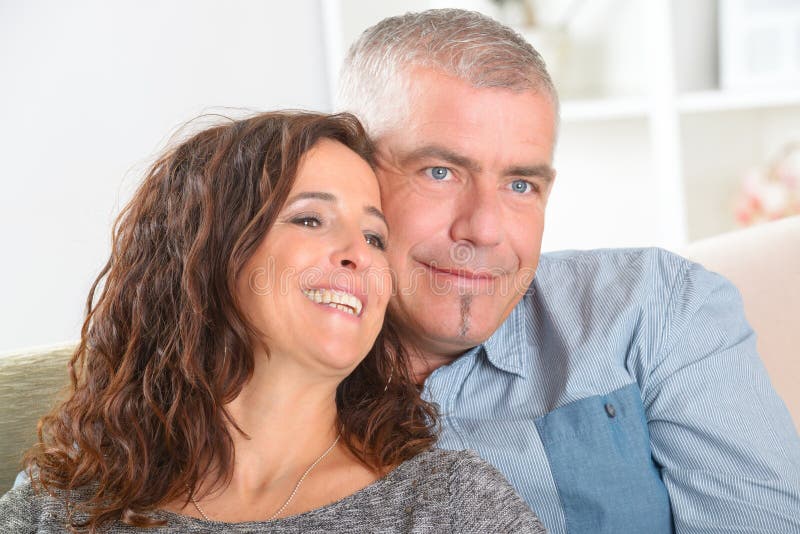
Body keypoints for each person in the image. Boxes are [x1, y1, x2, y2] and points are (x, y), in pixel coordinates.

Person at [336, 8, 800, 533]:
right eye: (440, 172)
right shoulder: (270, 377)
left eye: (520, 185)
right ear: (350, 172)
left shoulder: (657, 309)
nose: (485, 230)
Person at [0, 111, 546, 533]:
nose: (359, 254)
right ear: (205, 255)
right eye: (310, 219)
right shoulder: (59, 507)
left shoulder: (451, 505)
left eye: (376, 237)